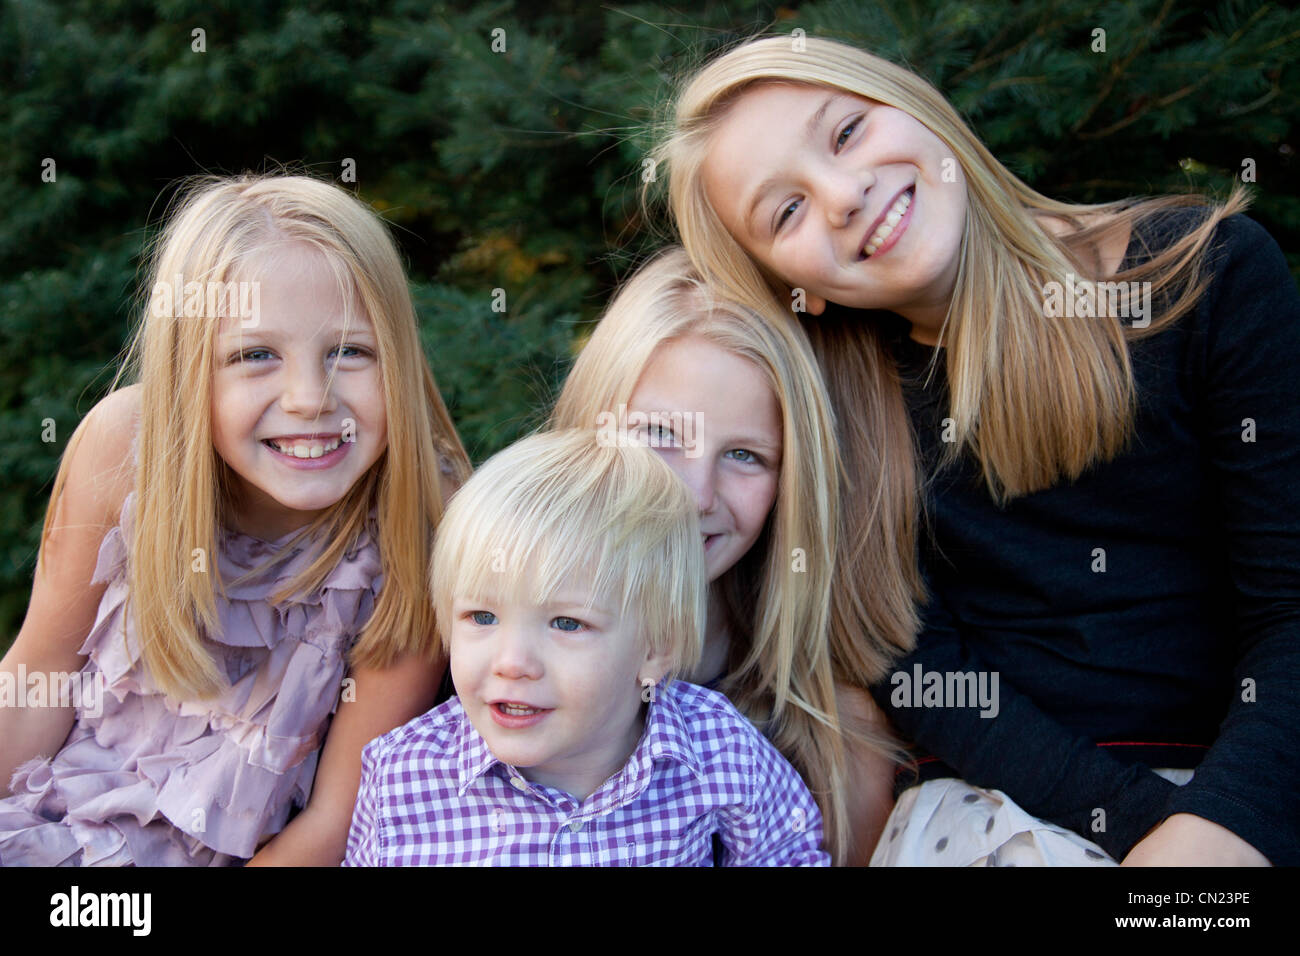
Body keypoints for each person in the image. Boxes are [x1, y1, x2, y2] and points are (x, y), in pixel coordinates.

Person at [655, 34, 1299, 866]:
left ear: (914, 104)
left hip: (1251, 785)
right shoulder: (842, 411)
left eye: (846, 133)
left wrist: (1217, 836)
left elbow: (1289, 608)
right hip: (1003, 811)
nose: (843, 194)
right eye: (786, 212)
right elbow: (919, 670)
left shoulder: (1197, 277)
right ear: (790, 289)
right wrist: (1148, 840)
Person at [0, 174, 469, 865]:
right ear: (191, 369)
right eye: (256, 355)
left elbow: (340, 819)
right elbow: (37, 677)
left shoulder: (422, 514)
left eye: (350, 351)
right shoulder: (123, 447)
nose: (311, 398)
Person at [549, 247, 910, 864]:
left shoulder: (831, 734)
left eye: (745, 455)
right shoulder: (495, 645)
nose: (696, 495)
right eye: (661, 436)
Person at [344, 429, 829, 866]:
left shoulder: (717, 749)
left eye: (566, 623)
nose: (512, 663)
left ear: (655, 650)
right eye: (483, 617)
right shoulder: (403, 776)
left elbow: (790, 852)